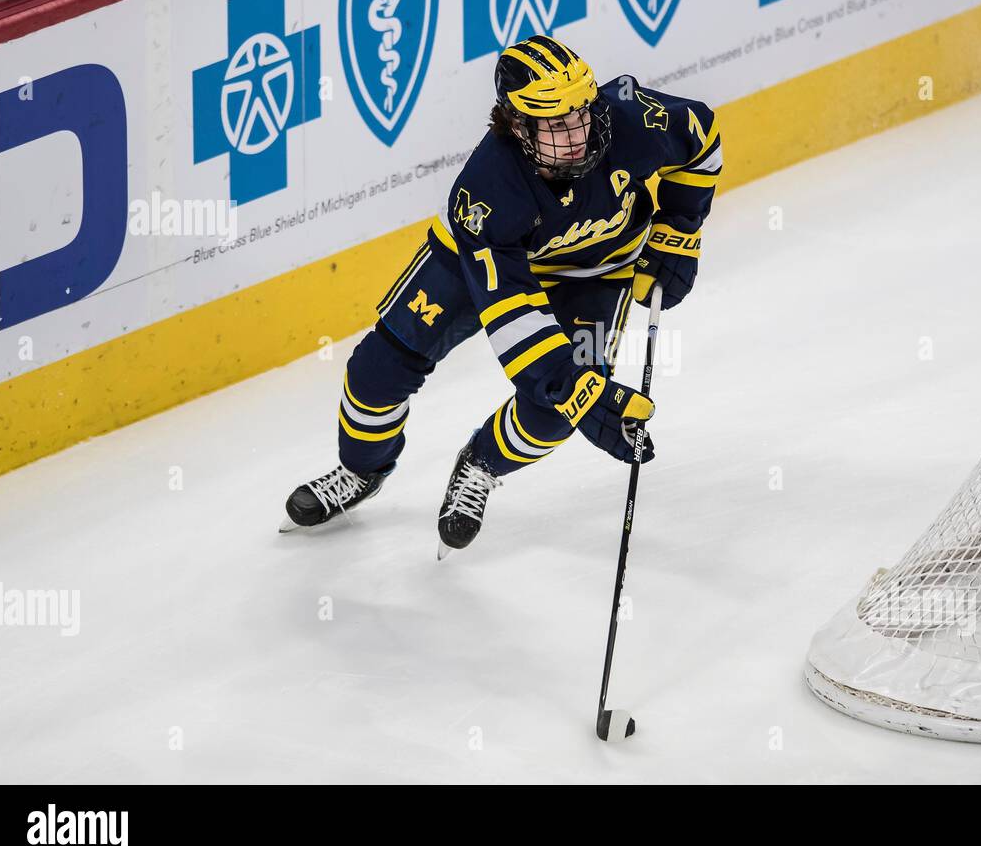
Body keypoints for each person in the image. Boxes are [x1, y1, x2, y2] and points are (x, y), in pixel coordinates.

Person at [281, 35, 721, 556]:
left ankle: (481, 464)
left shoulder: (626, 117)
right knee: (377, 371)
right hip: (481, 265)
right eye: (556, 124)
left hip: (597, 271)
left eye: (580, 114)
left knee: (553, 415)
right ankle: (360, 471)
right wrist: (573, 387)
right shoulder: (486, 191)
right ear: (517, 124)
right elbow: (512, 311)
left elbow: (702, 136)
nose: (577, 134)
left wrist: (680, 230)